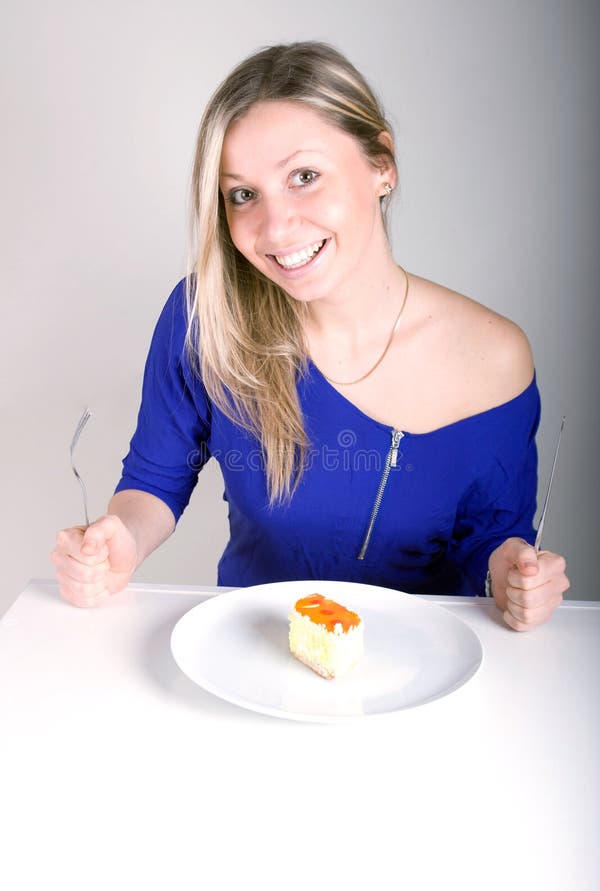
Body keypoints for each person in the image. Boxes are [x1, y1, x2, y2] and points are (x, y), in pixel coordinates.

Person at [51, 41, 569, 631]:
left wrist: (516, 577)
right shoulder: (206, 316)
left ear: (382, 164)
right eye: (243, 194)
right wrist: (120, 540)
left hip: (429, 681)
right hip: (254, 664)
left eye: (304, 176)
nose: (275, 227)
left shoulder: (495, 355)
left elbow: (494, 539)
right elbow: (153, 482)